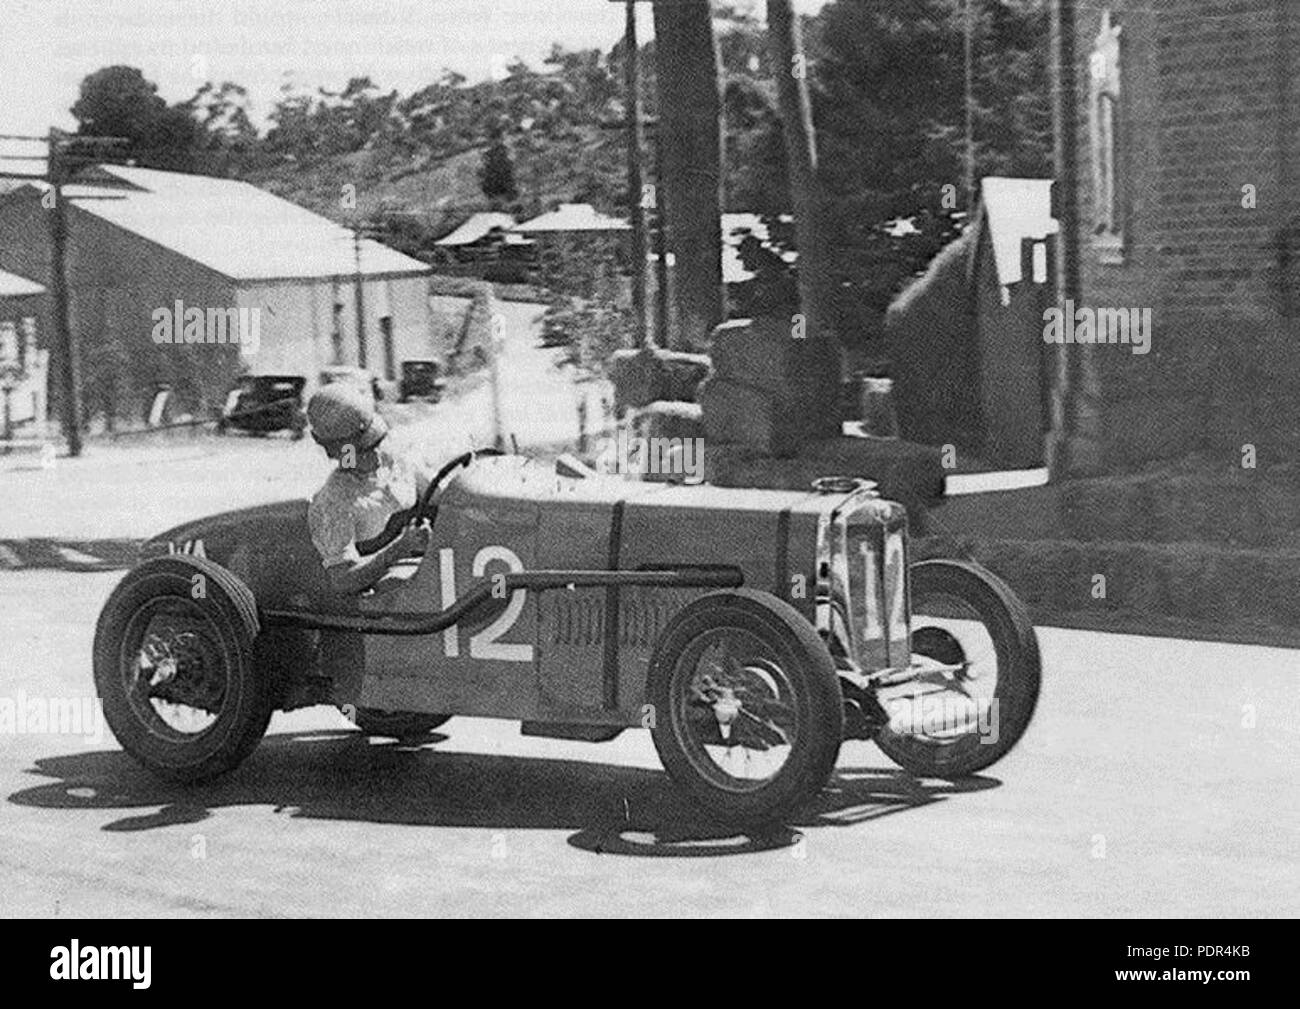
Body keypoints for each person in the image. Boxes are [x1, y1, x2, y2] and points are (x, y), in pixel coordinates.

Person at [306, 383, 446, 594]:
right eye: (364, 449)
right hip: (398, 597)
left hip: (438, 570)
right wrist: (400, 548)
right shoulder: (332, 501)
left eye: (376, 443)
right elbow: (343, 581)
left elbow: (448, 499)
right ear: (339, 451)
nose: (376, 455)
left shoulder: (398, 461)